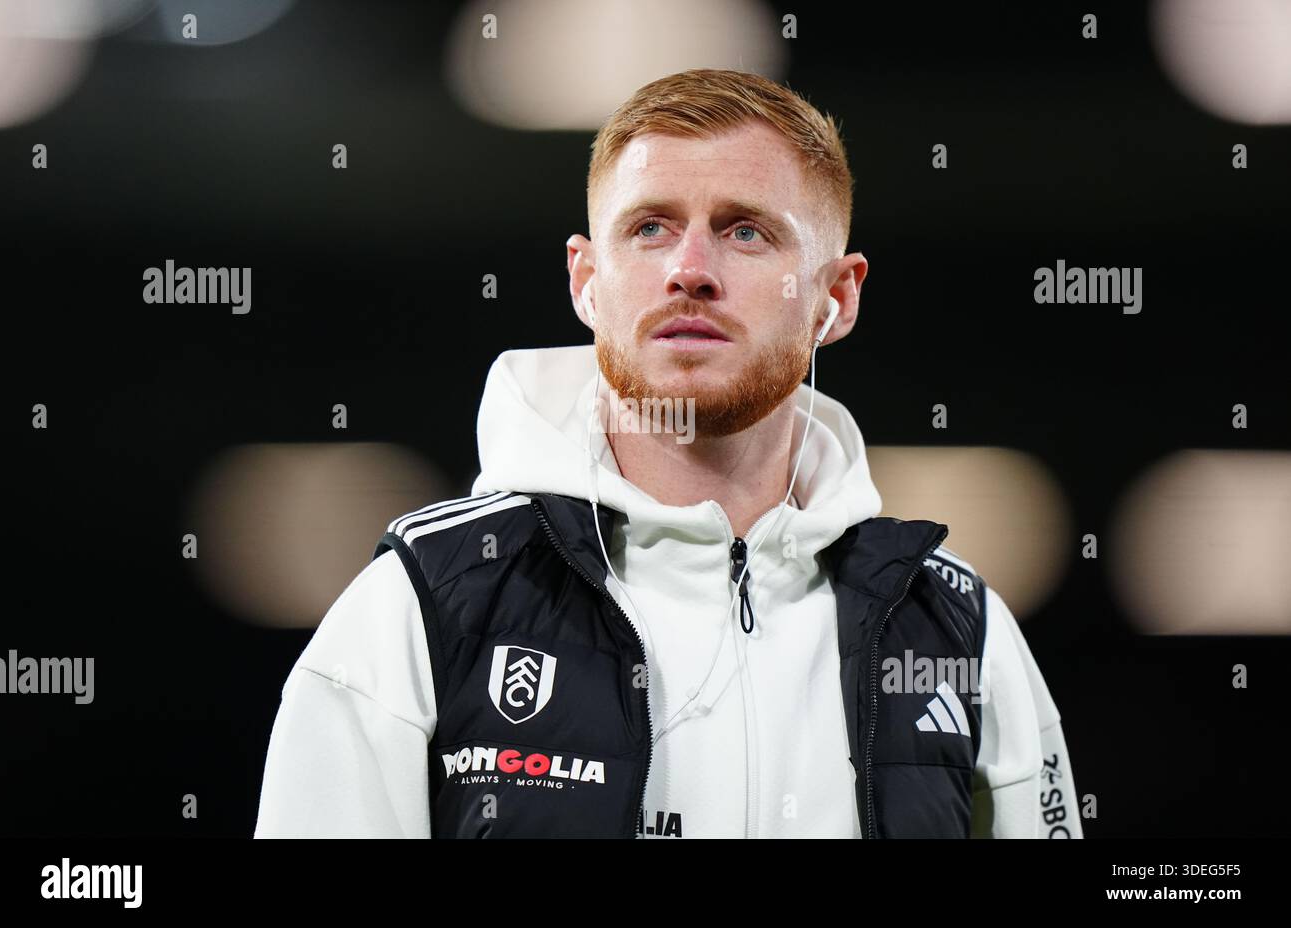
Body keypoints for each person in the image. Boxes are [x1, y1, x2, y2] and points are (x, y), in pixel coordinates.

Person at [254, 68, 1082, 839]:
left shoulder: (958, 633)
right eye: (650, 228)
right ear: (586, 281)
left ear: (835, 297)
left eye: (746, 231)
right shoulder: (418, 607)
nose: (690, 270)